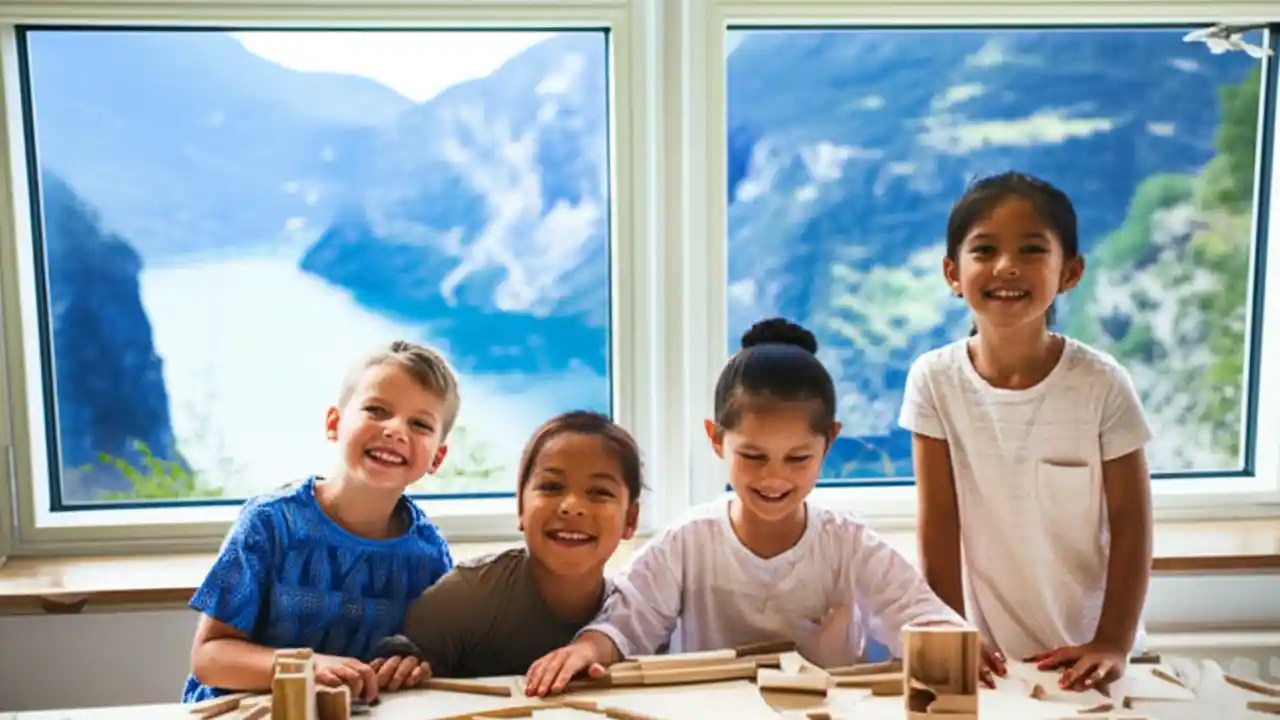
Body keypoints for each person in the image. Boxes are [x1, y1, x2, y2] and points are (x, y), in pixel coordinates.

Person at [524, 318, 963, 697]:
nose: (774, 478)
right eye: (753, 457)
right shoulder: (689, 541)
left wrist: (954, 643)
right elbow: (628, 620)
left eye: (797, 458)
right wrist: (587, 649)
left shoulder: (847, 542)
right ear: (716, 439)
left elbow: (917, 613)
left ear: (829, 441)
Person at [900, 171, 1153, 692]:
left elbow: (1132, 526)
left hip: (1091, 658)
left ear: (1070, 272)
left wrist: (1113, 642)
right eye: (985, 249)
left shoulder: (1102, 384)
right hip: (992, 660)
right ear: (953, 272)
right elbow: (939, 527)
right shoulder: (934, 380)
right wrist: (952, 633)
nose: (1007, 267)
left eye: (1033, 250)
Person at [182, 340, 460, 704]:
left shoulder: (430, 556)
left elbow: (423, 654)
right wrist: (306, 667)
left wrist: (411, 664)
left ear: (436, 458)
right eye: (376, 410)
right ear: (334, 424)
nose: (394, 430)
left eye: (420, 424)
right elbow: (210, 658)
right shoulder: (269, 524)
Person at [370, 410, 643, 684]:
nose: (572, 507)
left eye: (599, 492)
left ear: (630, 520)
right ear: (521, 508)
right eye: (551, 486)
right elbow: (397, 680)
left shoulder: (636, 614)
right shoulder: (465, 598)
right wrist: (402, 668)